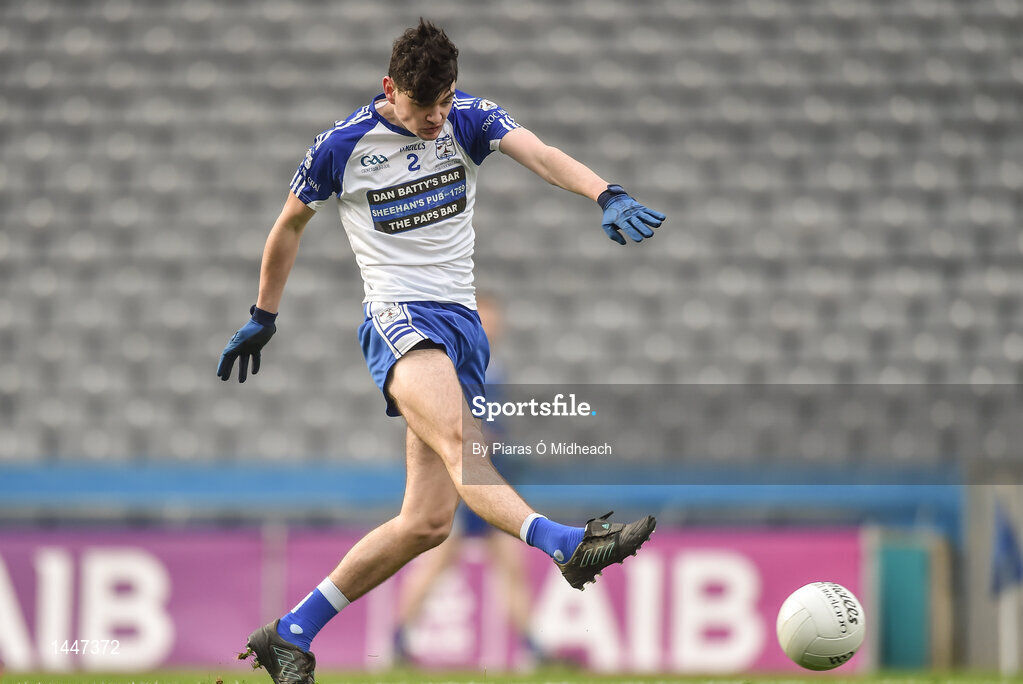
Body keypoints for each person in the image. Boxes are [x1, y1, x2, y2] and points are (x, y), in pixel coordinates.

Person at [219, 19, 665, 684]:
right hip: (399, 321)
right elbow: (288, 225)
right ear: (388, 89)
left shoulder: (469, 118)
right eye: (421, 107)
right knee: (466, 445)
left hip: (461, 329)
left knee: (426, 523)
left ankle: (290, 633)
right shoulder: (342, 147)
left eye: (444, 103)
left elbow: (538, 152)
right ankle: (565, 545)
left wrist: (605, 191)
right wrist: (263, 313)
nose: (435, 120)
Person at [391, 294, 557, 669]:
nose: (492, 327)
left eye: (495, 320)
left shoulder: (493, 367)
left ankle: (532, 647)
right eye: (485, 319)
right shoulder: (456, 364)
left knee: (507, 563)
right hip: (464, 478)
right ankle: (397, 639)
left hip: (490, 474)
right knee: (438, 559)